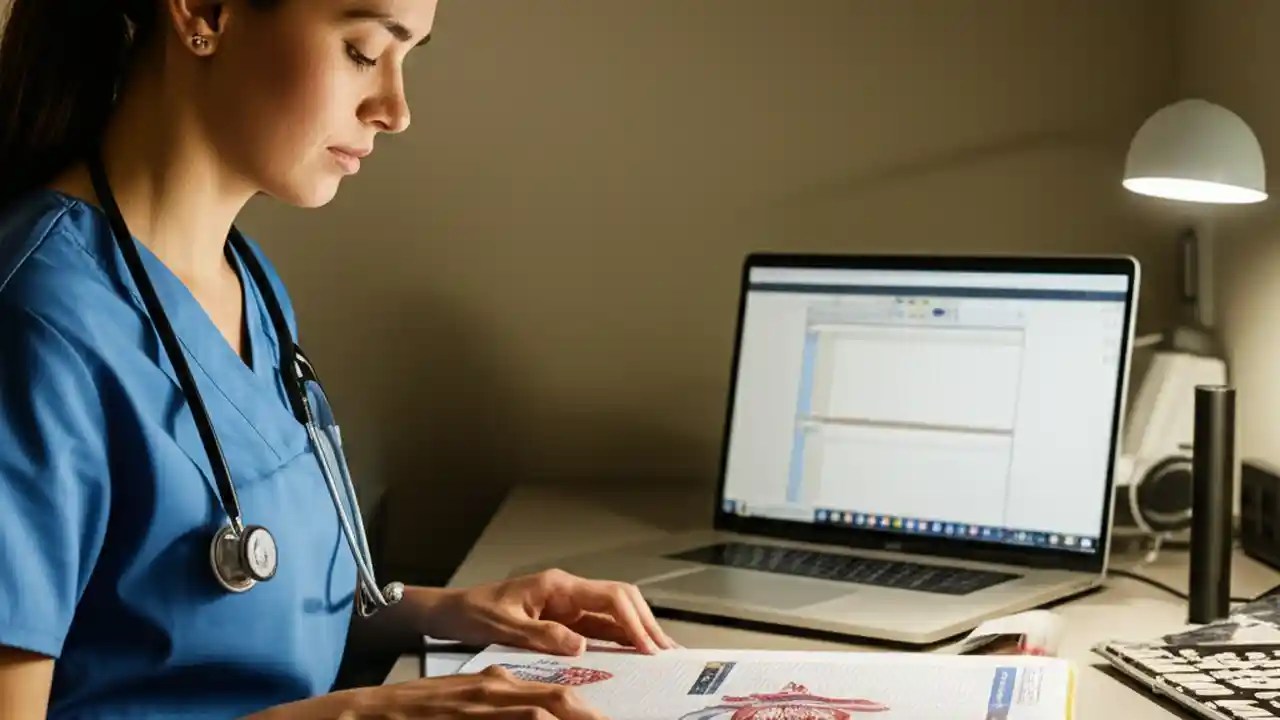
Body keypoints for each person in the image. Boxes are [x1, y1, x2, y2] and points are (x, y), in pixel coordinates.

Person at [0, 1, 677, 717]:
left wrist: (444, 611)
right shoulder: (35, 323)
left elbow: (222, 606)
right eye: (363, 51)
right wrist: (358, 713)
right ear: (204, 12)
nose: (396, 109)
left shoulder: (247, 282)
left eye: (408, 55)